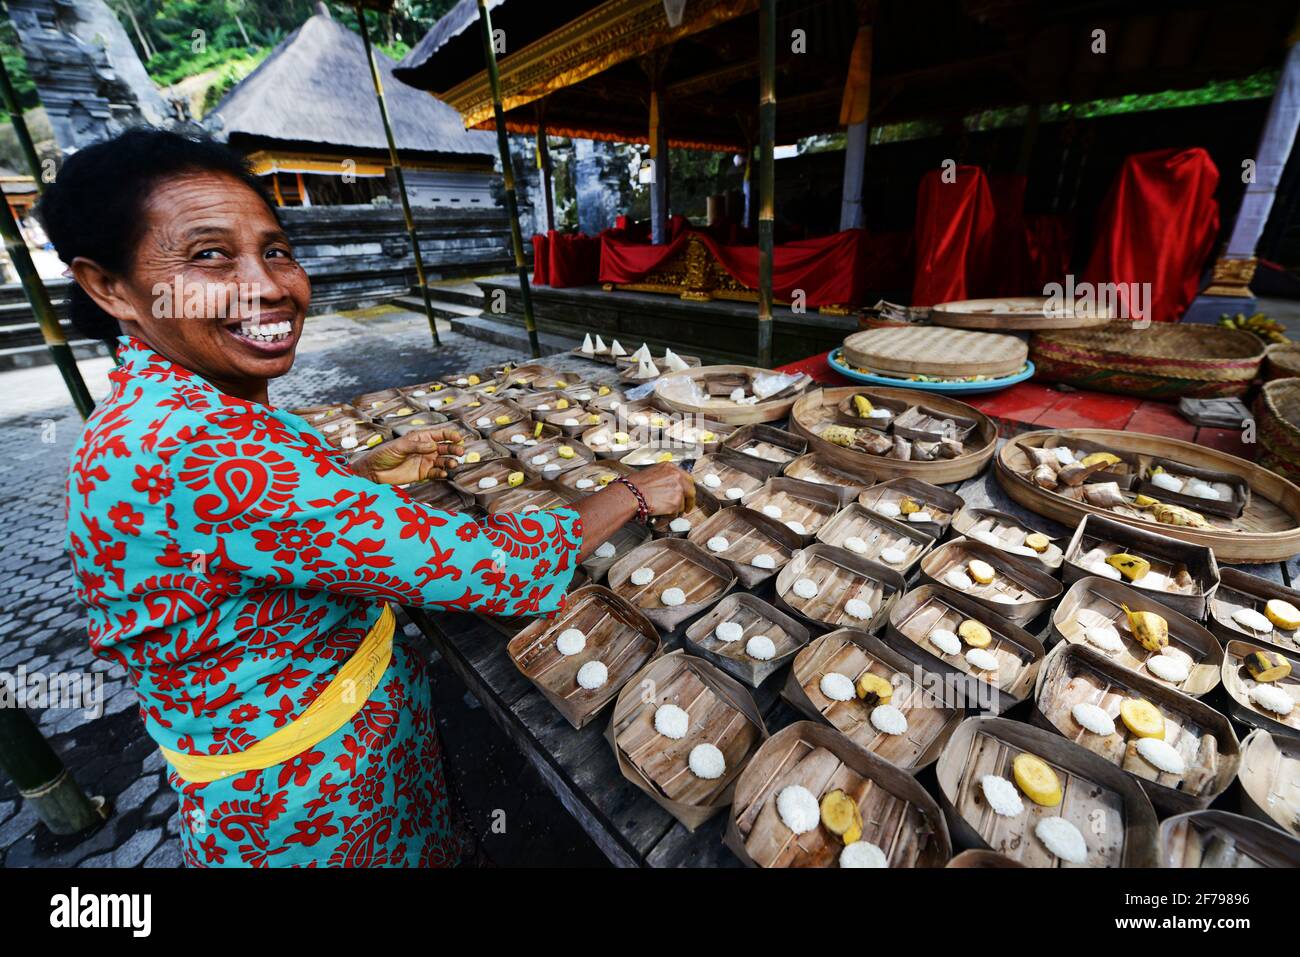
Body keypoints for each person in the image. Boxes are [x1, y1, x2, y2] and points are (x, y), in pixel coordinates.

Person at [41, 128, 694, 867]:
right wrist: (629, 492)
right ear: (110, 286)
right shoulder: (187, 447)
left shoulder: (157, 406)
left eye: (277, 250)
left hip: (323, 744)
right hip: (313, 801)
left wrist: (365, 470)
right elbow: (493, 571)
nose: (270, 285)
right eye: (209, 255)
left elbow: (259, 518)